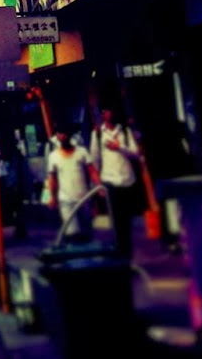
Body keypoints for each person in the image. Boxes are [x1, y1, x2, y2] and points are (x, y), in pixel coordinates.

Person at [91, 107, 140, 258]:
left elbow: (136, 153)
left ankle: (128, 250)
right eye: (105, 111)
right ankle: (120, 250)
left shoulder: (124, 131)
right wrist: (97, 184)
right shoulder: (98, 134)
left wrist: (120, 147)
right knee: (116, 218)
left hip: (126, 179)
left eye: (110, 110)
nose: (108, 113)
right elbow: (95, 159)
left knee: (127, 219)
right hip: (109, 180)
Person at [47, 129, 98, 240]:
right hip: (65, 200)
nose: (63, 136)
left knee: (86, 232)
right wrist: (52, 197)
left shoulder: (82, 152)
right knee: (72, 233)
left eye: (64, 133)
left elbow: (92, 171)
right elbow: (52, 179)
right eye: (60, 134)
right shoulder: (53, 156)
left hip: (84, 198)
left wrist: (99, 187)